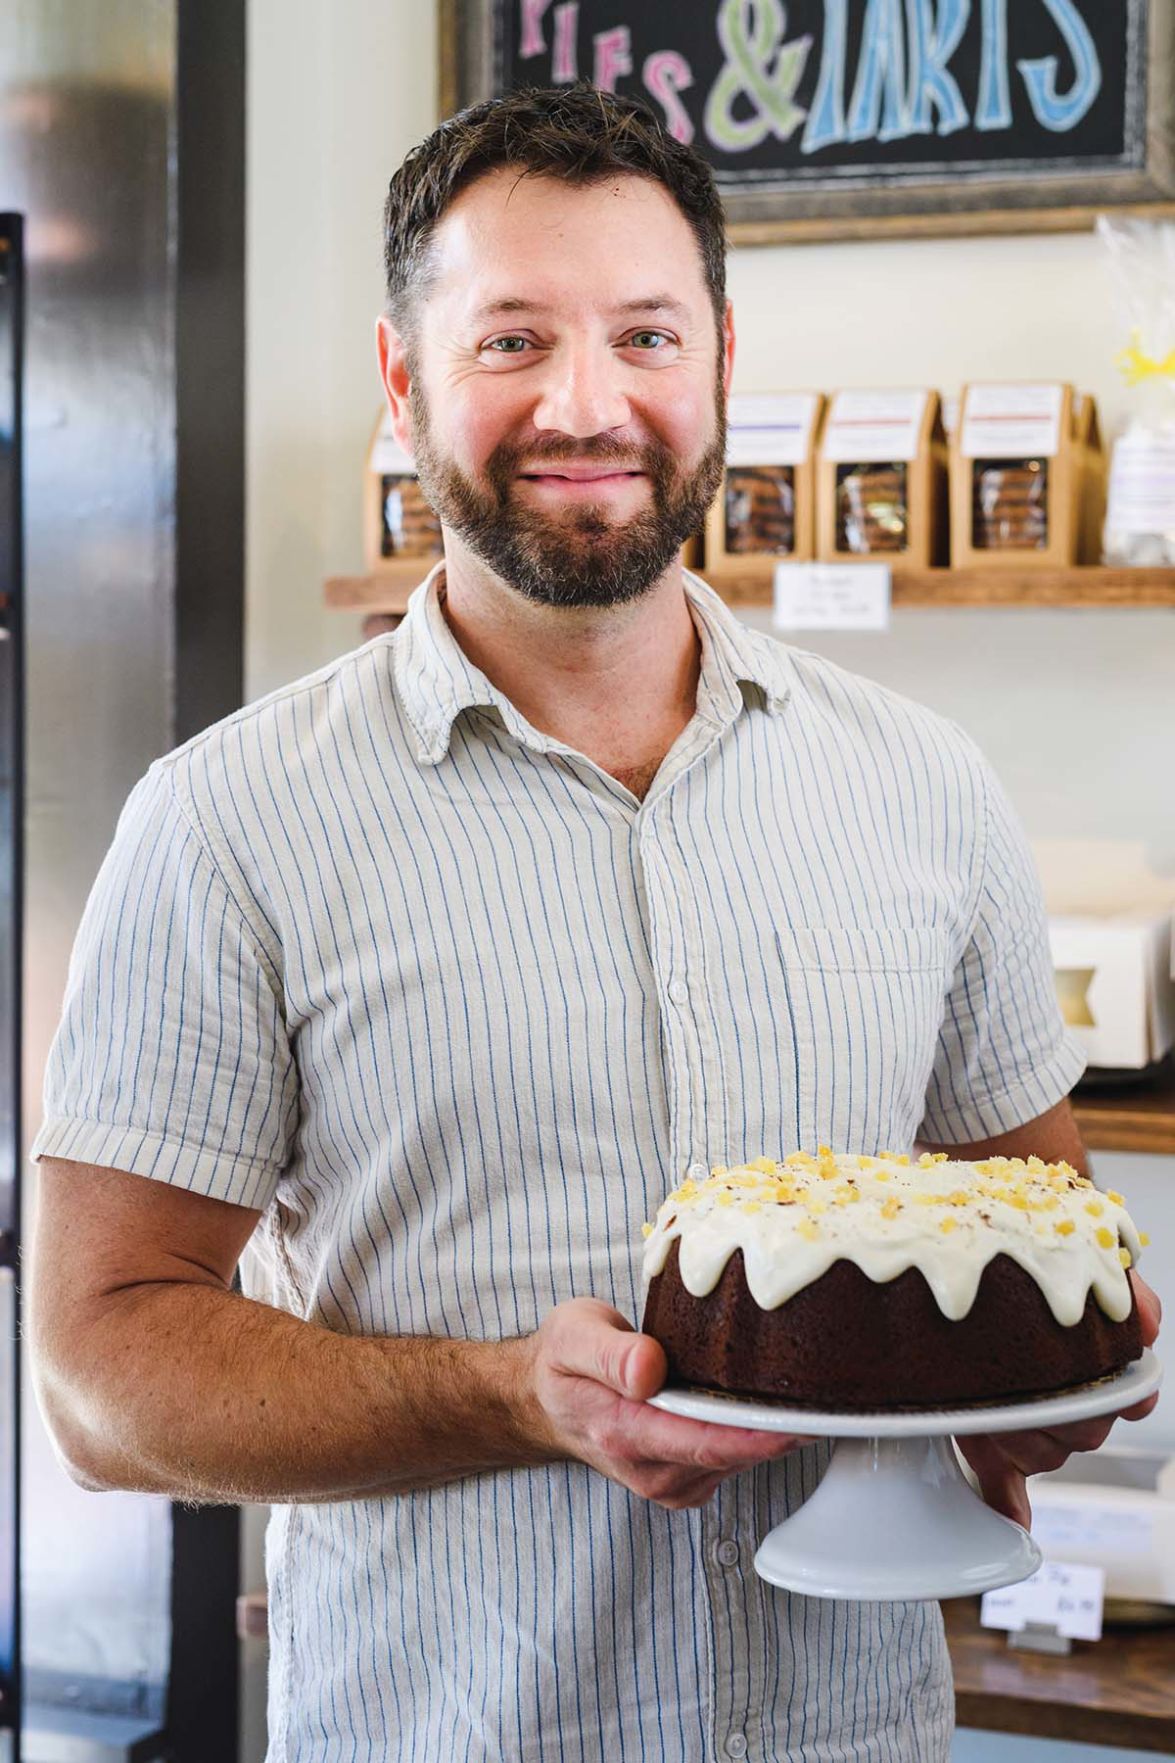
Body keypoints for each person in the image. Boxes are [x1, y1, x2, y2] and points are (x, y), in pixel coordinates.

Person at [30, 85, 1159, 1763]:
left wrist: (1028, 1404)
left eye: (644, 332)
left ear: (719, 359)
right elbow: (100, 1376)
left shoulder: (923, 788)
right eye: (511, 342)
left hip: (853, 1737)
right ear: (404, 382)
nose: (587, 402)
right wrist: (496, 1394)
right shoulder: (229, 822)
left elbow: (1036, 1227)